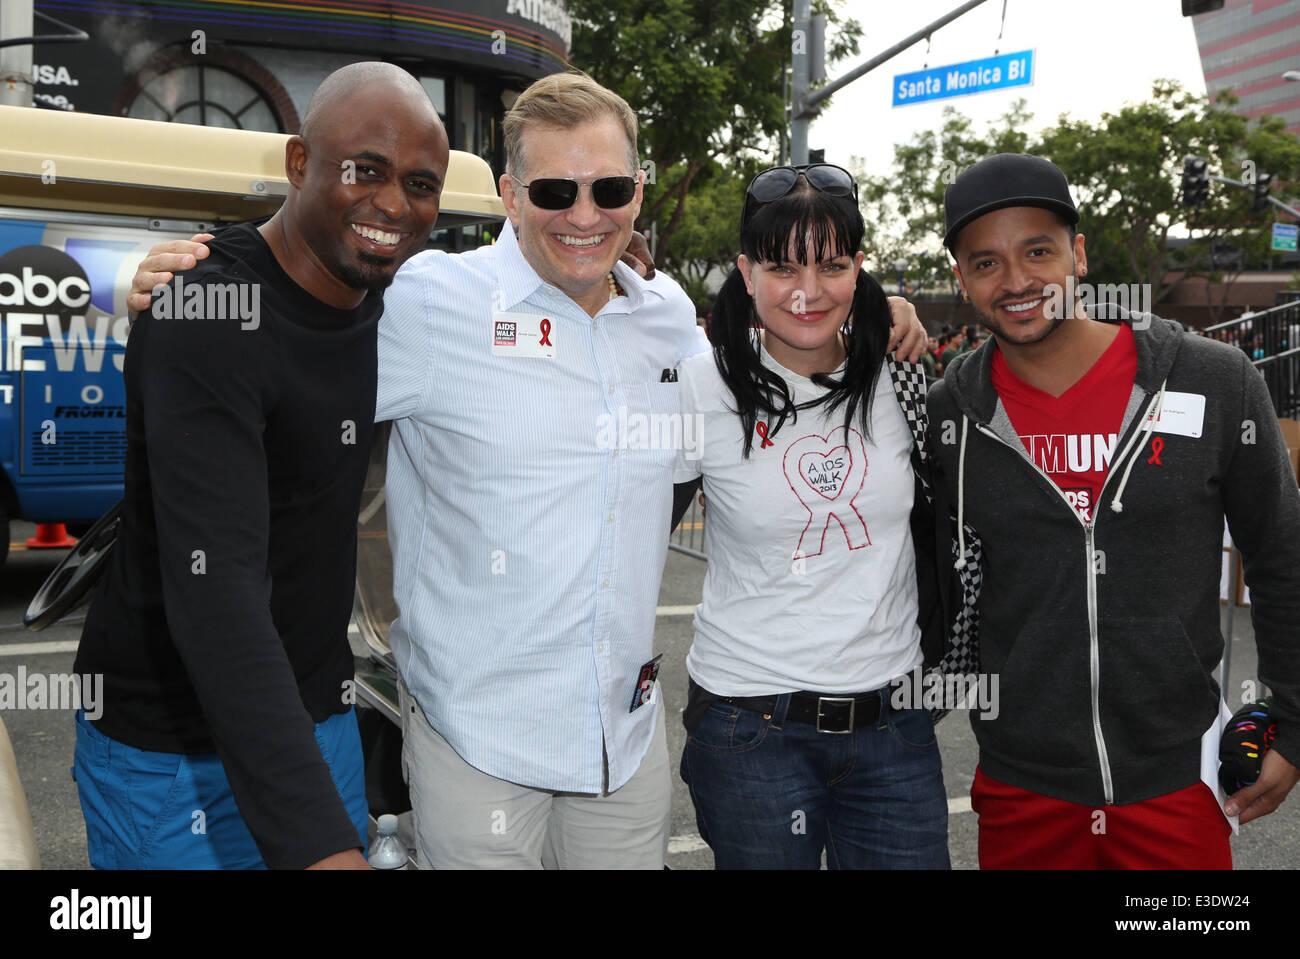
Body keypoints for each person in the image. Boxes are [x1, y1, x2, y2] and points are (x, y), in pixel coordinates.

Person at [129, 72, 929, 869]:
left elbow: (789, 348)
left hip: (622, 746)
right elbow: (298, 321)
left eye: (608, 188)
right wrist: (198, 276)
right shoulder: (426, 301)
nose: (584, 215)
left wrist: (882, 314)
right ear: (510, 194)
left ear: (638, 194)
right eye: (555, 190)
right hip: (475, 748)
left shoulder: (668, 326)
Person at [72, 62, 450, 869]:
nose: (393, 204)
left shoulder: (383, 294)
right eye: (366, 170)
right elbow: (219, 597)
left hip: (318, 723)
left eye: (421, 183)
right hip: (171, 752)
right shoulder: (207, 312)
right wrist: (321, 847)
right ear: (298, 163)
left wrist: (616, 271)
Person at [928, 152, 1300, 868]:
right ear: (963, 279)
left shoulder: (1214, 379)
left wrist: (1295, 723)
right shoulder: (952, 412)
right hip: (1022, 788)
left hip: (1178, 785)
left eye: (1037, 251)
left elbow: (1283, 555)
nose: (1016, 282)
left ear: (1079, 254)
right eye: (985, 263)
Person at [674, 163, 950, 868]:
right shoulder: (697, 387)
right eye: (780, 266)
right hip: (749, 726)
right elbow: (632, 533)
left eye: (831, 264)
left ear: (859, 267)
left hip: (895, 722)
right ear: (745, 271)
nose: (807, 290)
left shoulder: (903, 370)